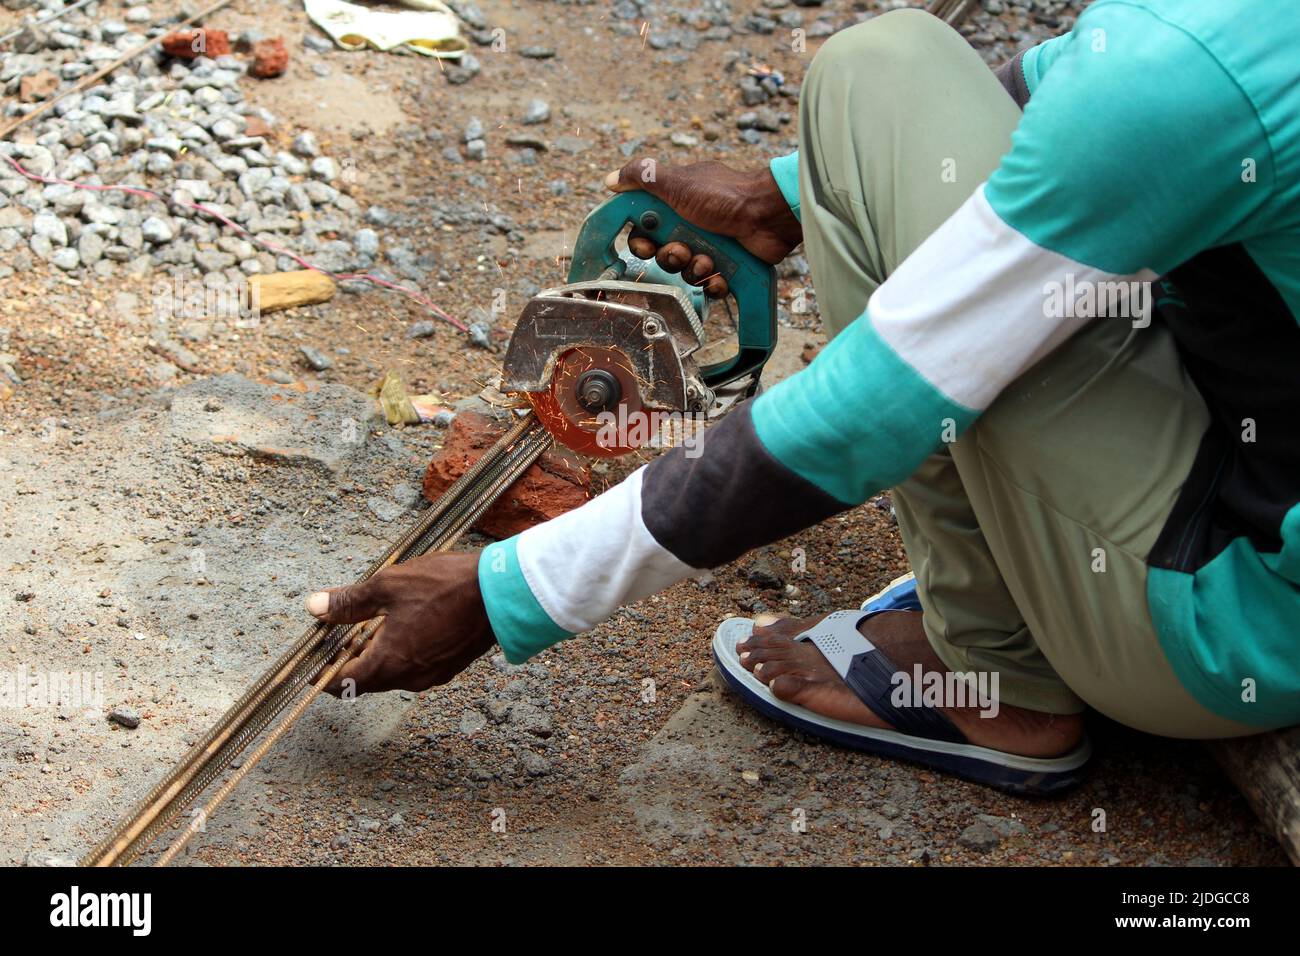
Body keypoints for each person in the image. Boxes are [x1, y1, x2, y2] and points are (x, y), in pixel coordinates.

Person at [305, 0, 1300, 792]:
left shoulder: (1187, 67)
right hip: (1253, 429)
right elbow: (1072, 104)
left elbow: (875, 405)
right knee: (883, 77)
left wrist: (505, 591)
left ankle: (1000, 679)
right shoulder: (1215, 45)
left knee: (900, 148)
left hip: (1235, 620)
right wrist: (785, 194)